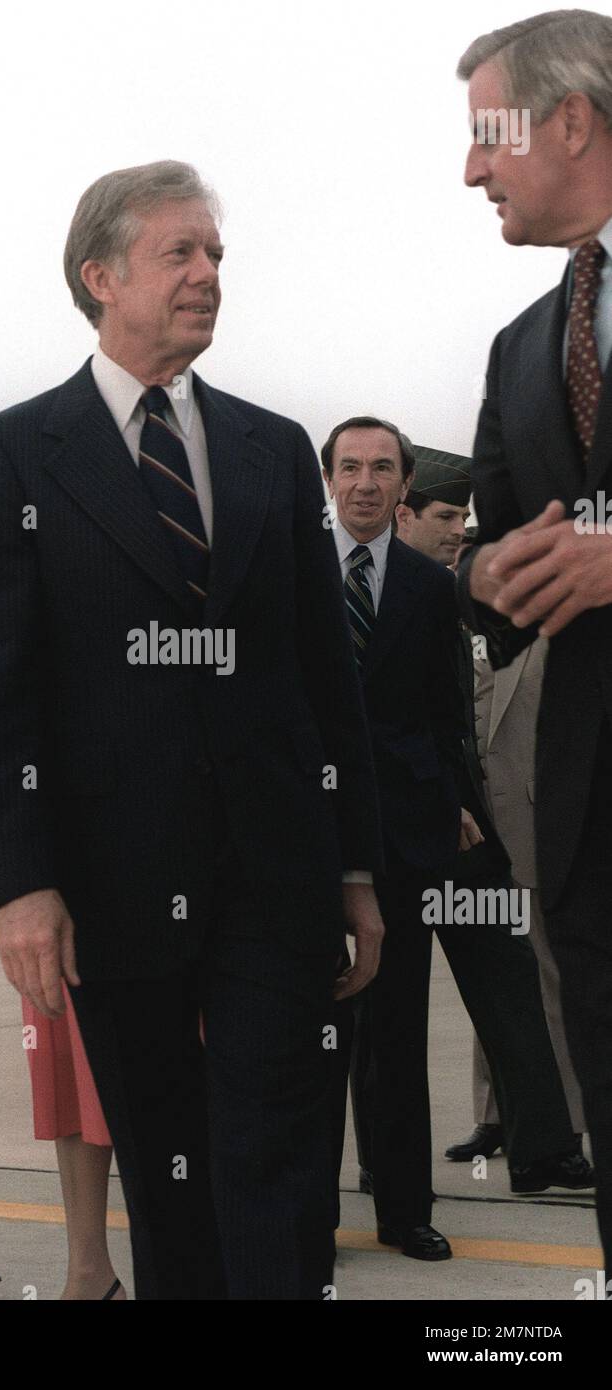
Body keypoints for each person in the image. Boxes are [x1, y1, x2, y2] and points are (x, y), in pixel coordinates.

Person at [0, 159, 385, 1300]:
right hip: (111, 881)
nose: (206, 277)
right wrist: (21, 882)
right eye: (179, 254)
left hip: (273, 869)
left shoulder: (271, 448)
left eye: (216, 257)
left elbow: (320, 676)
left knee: (277, 1150)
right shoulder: (11, 455)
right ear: (99, 276)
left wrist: (352, 861)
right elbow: (1, 690)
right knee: (165, 1160)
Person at [456, 9, 612, 1266]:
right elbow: (489, 560)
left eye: (482, 135)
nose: (469, 170)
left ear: (571, 119)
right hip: (588, 828)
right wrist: (484, 569)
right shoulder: (518, 352)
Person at [396, 450, 592, 1194]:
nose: (466, 534)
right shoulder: (405, 599)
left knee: (535, 974)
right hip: (449, 823)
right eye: (451, 518)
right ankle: (496, 1118)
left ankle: (556, 1125)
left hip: (528, 821)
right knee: (492, 980)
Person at [0, 680, 125, 1300]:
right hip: (62, 883)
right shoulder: (25, 601)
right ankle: (89, 1272)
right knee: (74, 1088)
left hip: (173, 857)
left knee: (185, 1091)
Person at [322, 416, 462, 1261]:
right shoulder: (289, 571)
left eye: (383, 468)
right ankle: (311, 1212)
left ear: (404, 485)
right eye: (350, 466)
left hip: (404, 839)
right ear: (328, 479)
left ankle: (405, 1208)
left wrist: (452, 807)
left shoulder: (427, 585)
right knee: (315, 1034)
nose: (366, 482)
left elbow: (448, 717)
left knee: (398, 1031)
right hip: (309, 834)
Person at [472, 634, 588, 1159]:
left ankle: (568, 1123)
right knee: (493, 977)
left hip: (536, 828)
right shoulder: (447, 613)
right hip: (471, 828)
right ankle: (497, 1116)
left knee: (548, 977)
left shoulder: (559, 629)